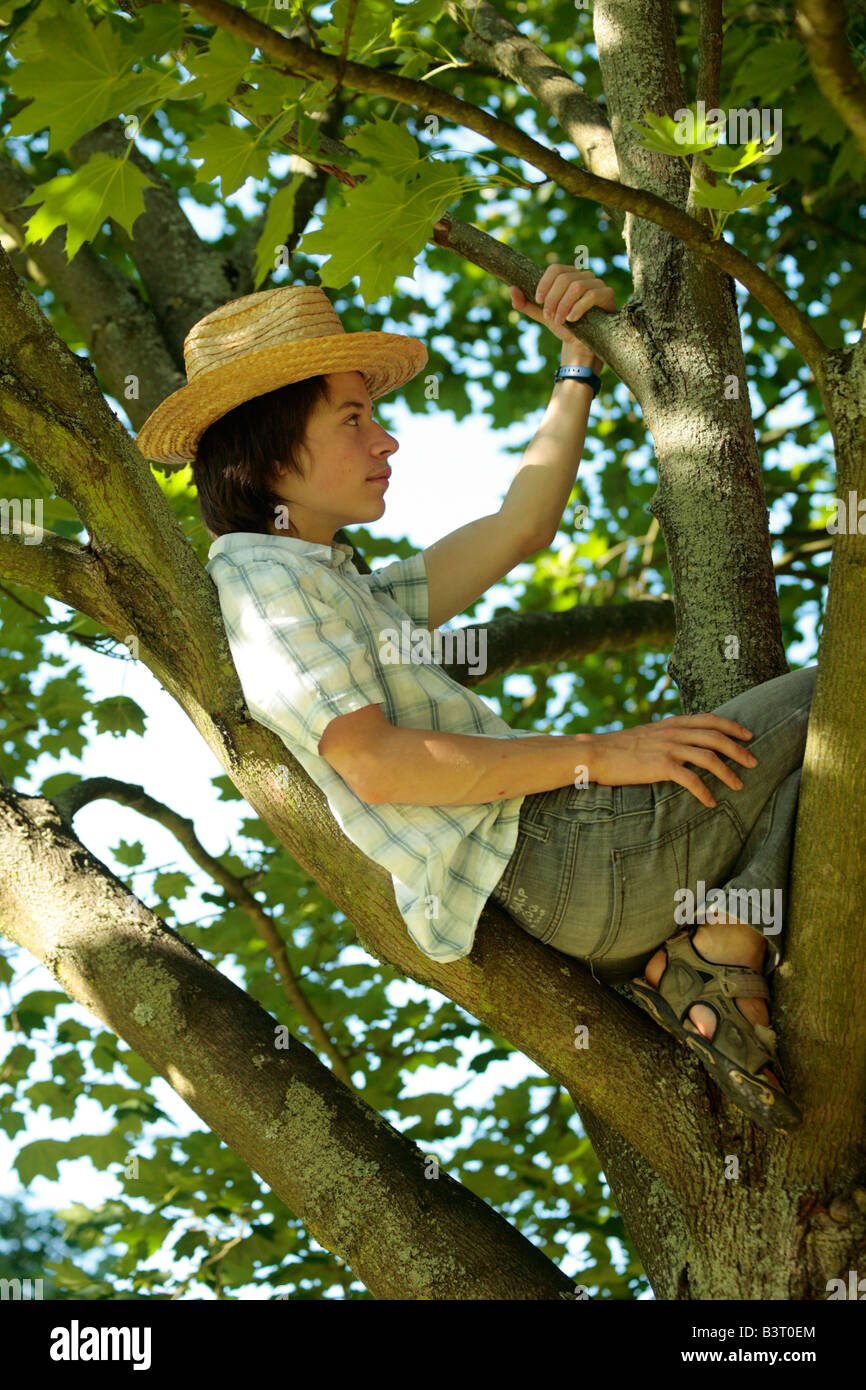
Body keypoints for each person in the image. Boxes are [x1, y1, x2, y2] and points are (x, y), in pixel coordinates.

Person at [134, 271, 812, 1135]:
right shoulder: (265, 584)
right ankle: (717, 943)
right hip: (567, 850)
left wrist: (578, 367)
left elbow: (519, 526)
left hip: (574, 890)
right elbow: (375, 763)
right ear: (267, 451)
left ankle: (719, 950)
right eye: (353, 419)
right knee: (844, 694)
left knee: (822, 767)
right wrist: (601, 752)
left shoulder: (335, 587)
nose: (386, 441)